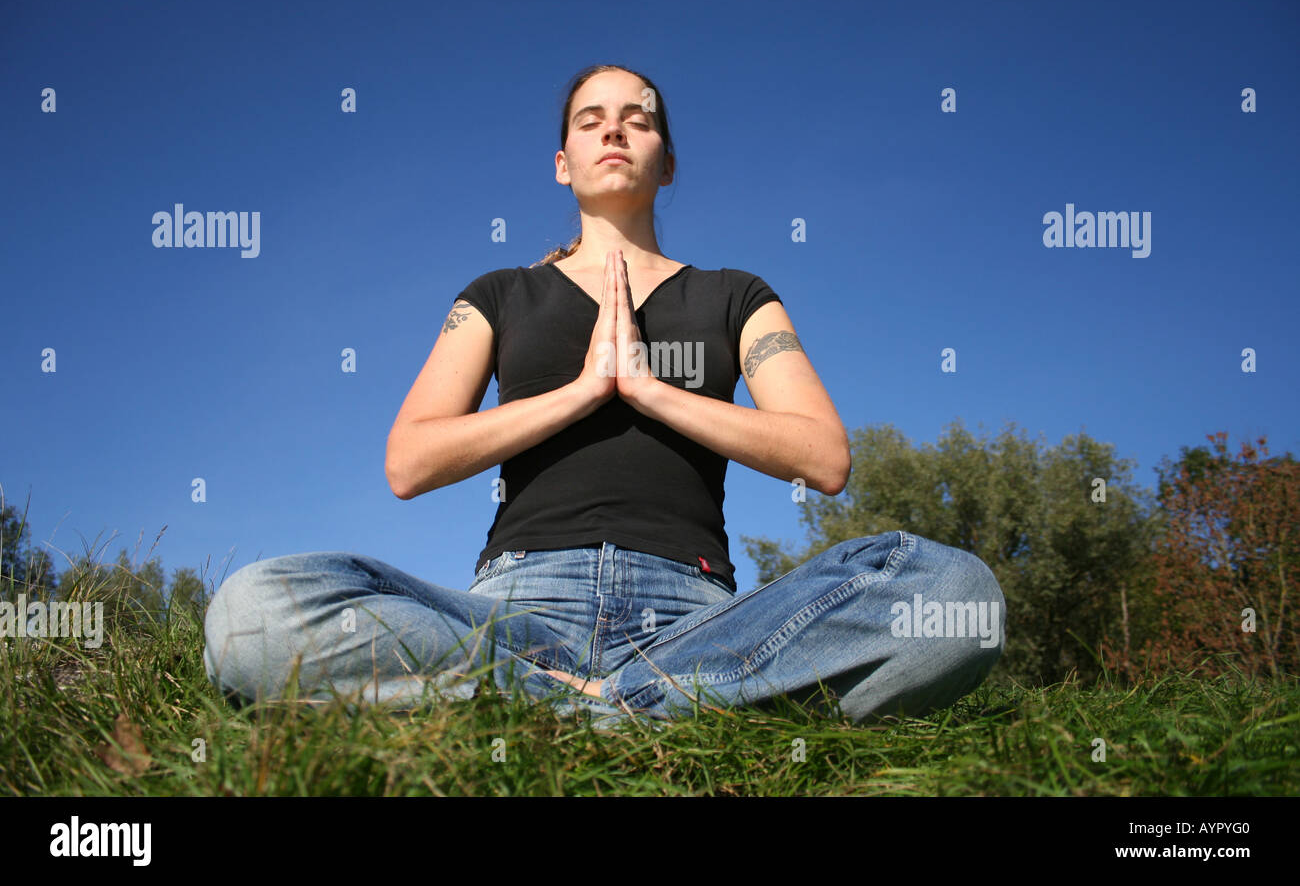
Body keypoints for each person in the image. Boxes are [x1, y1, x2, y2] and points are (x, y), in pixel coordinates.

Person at [203, 64, 1005, 727]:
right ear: (563, 163)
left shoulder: (736, 294)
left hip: (695, 617)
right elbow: (410, 461)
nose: (614, 131)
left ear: (666, 159)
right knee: (254, 609)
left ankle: (566, 710)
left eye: (637, 119)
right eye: (590, 120)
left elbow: (824, 456)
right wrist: (585, 390)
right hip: (515, 611)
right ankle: (660, 710)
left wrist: (649, 390)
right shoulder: (500, 292)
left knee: (957, 595)